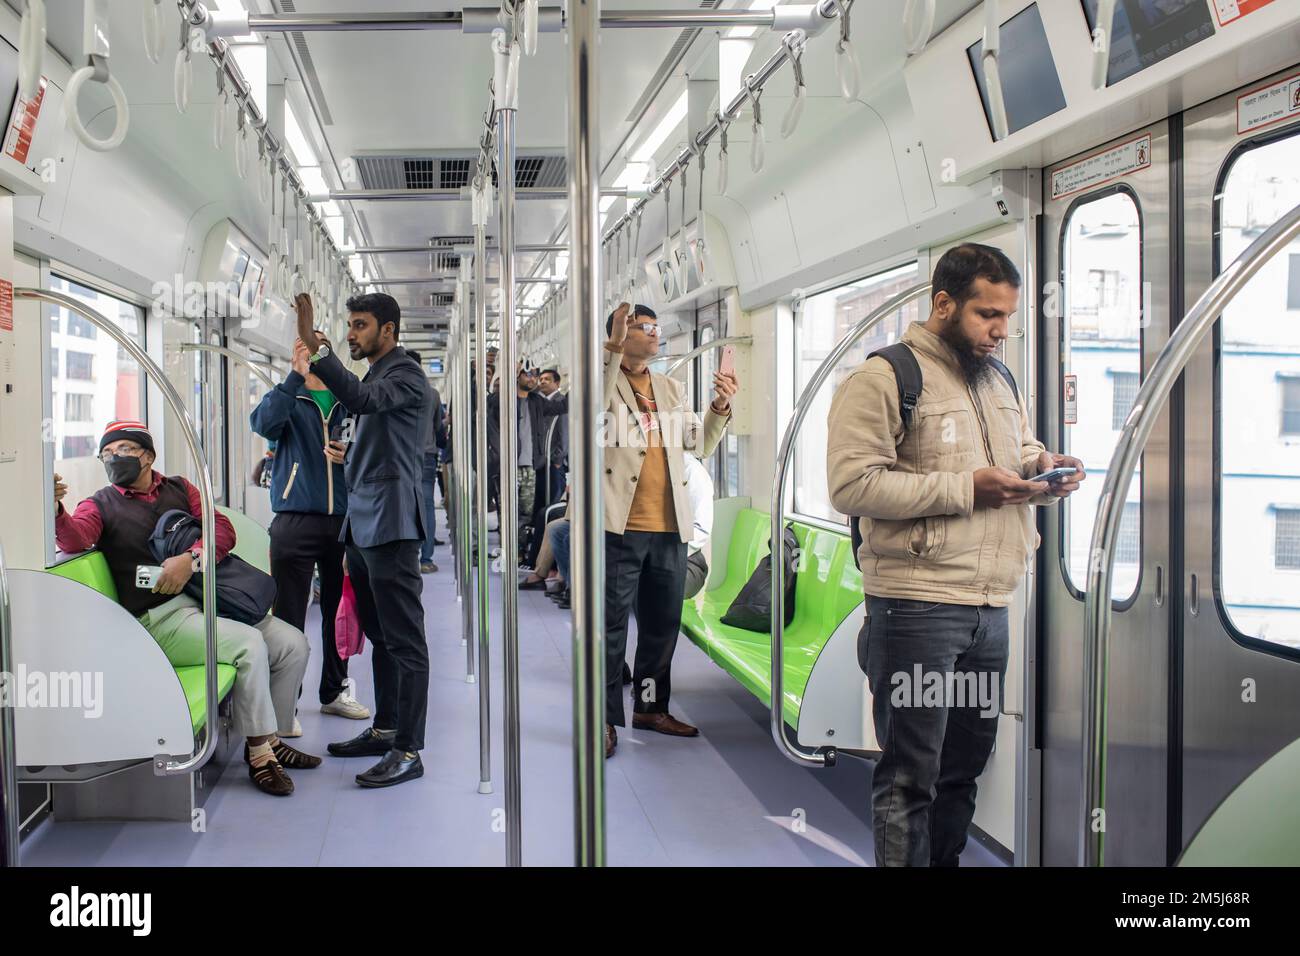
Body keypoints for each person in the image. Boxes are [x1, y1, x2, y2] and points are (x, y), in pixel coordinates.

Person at [826, 243, 1085, 867]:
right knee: (910, 777)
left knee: (963, 770)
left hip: (991, 606)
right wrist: (967, 489)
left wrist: (1042, 468)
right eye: (986, 315)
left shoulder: (998, 378)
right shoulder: (884, 377)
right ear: (943, 303)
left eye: (1007, 317)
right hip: (916, 607)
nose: (1000, 331)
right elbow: (852, 486)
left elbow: (1018, 450)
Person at [54, 420, 317, 797]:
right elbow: (76, 538)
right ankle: (260, 754)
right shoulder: (100, 504)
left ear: (148, 456)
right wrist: (56, 509)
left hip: (207, 597)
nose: (115, 459)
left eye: (124, 450)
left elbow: (221, 529)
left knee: (293, 644)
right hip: (159, 619)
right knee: (249, 645)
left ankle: (271, 740)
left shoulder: (180, 488)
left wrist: (190, 560)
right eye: (107, 454)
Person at [294, 291, 431, 789]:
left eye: (360, 325)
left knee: (405, 641)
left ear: (388, 330)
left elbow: (362, 401)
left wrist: (317, 348)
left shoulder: (404, 374)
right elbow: (375, 427)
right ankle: (387, 727)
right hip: (363, 524)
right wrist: (348, 455)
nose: (351, 333)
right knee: (381, 637)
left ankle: (409, 749)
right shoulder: (376, 373)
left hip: (392, 525)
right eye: (348, 325)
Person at [601, 303, 738, 759]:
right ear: (622, 333)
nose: (657, 335)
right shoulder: (600, 382)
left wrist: (720, 407)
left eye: (659, 328)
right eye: (647, 328)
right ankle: (602, 718)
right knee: (611, 627)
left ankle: (648, 707)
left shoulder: (670, 388)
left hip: (670, 526)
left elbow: (699, 442)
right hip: (618, 525)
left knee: (661, 625)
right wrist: (611, 349)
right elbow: (594, 413)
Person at [250, 339, 370, 724]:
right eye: (305, 349)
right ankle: (286, 704)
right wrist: (292, 378)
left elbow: (369, 447)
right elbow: (263, 425)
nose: (312, 356)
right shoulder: (288, 396)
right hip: (293, 519)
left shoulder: (349, 400)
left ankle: (334, 691)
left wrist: (349, 457)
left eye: (319, 350)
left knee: (341, 611)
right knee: (288, 617)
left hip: (344, 518)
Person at [405, 349, 444, 574]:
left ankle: (408, 558)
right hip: (427, 454)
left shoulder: (393, 389)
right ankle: (426, 559)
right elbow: (438, 426)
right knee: (426, 504)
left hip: (400, 456)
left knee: (404, 505)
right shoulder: (432, 393)